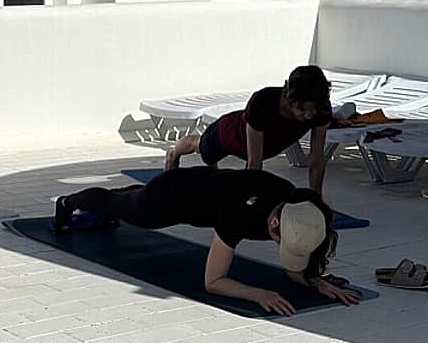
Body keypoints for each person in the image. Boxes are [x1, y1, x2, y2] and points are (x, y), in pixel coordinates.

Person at [54, 166, 359, 316]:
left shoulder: (294, 203)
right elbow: (213, 281)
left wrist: (314, 282)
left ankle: (129, 194)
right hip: (171, 198)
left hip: (202, 185)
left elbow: (295, 262)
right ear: (274, 223)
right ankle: (67, 203)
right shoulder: (239, 214)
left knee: (127, 201)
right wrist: (257, 294)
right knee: (121, 207)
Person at [168, 65, 334, 195]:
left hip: (265, 146)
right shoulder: (264, 102)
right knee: (201, 147)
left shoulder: (321, 110)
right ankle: (173, 152)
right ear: (287, 96)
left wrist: (316, 198)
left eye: (312, 110)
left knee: (213, 175)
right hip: (229, 135)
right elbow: (254, 162)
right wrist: (250, 199)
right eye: (301, 109)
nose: (308, 115)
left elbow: (316, 159)